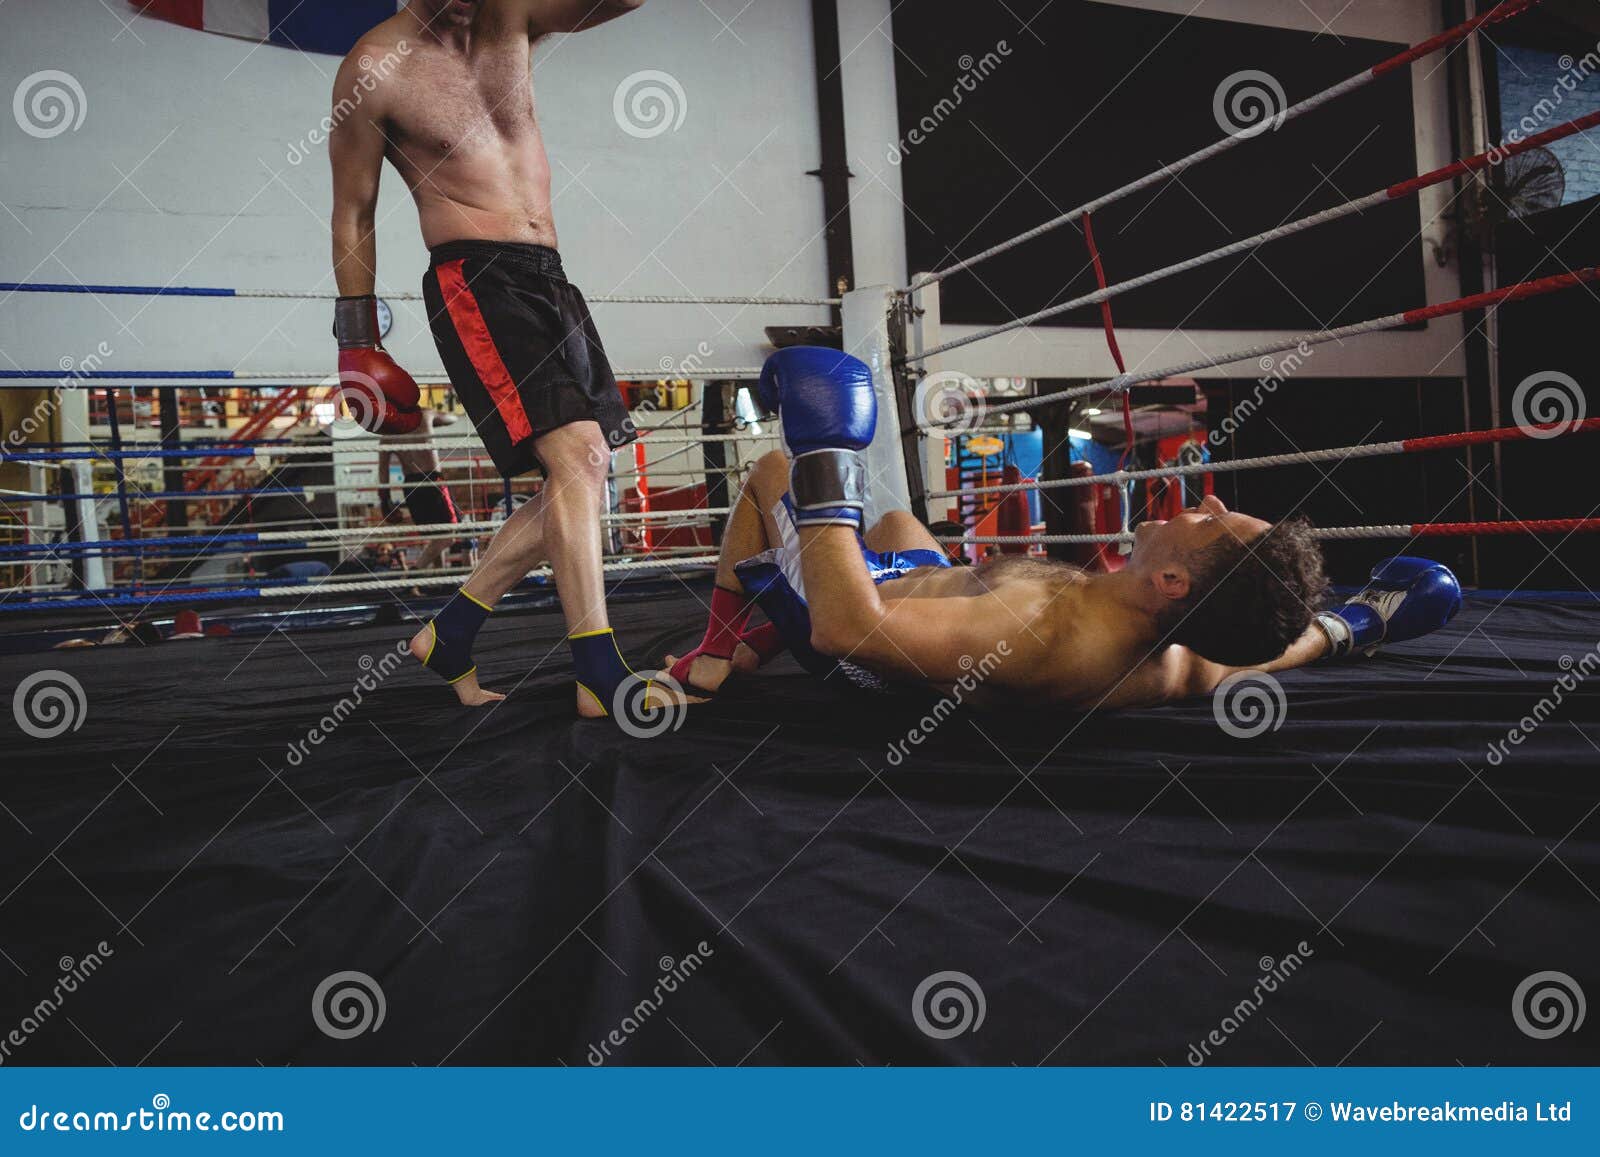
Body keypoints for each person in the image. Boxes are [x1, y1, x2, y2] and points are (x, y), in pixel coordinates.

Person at [665, 348, 1462, 710]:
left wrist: (826, 452)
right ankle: (754, 635)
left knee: (774, 473)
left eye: (1215, 521)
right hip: (923, 589)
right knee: (903, 517)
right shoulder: (1196, 652)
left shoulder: (1038, 627)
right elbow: (1293, 642)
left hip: (865, 647)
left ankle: (714, 652)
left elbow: (846, 628)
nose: (1207, 503)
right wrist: (1366, 620)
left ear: (1173, 580)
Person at [328, 0, 652, 718]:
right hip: (475, 276)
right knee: (583, 460)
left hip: (549, 277)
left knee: (577, 475)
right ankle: (597, 671)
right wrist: (357, 341)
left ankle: (452, 634)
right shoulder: (375, 66)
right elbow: (352, 209)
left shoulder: (509, 16)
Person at [379, 409, 465, 572]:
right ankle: (414, 574)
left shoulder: (387, 435)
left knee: (435, 535)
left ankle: (440, 578)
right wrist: (434, 419)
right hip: (432, 481)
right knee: (449, 536)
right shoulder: (424, 415)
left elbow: (383, 470)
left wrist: (385, 499)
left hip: (411, 486)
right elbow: (452, 418)